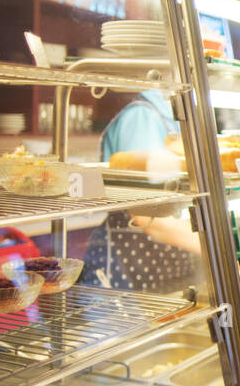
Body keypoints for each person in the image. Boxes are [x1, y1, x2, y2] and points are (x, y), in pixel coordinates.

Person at [82, 90, 202, 293]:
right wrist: (220, 250)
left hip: (160, 264)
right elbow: (145, 214)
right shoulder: (142, 117)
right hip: (126, 259)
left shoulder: (173, 118)